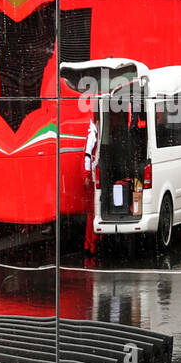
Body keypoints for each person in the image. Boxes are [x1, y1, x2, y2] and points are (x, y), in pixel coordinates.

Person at [82, 110, 99, 256]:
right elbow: (88, 155)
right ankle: (91, 244)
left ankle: (91, 243)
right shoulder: (92, 134)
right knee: (92, 213)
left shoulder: (92, 133)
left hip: (93, 177)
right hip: (93, 178)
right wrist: (87, 175)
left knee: (92, 213)